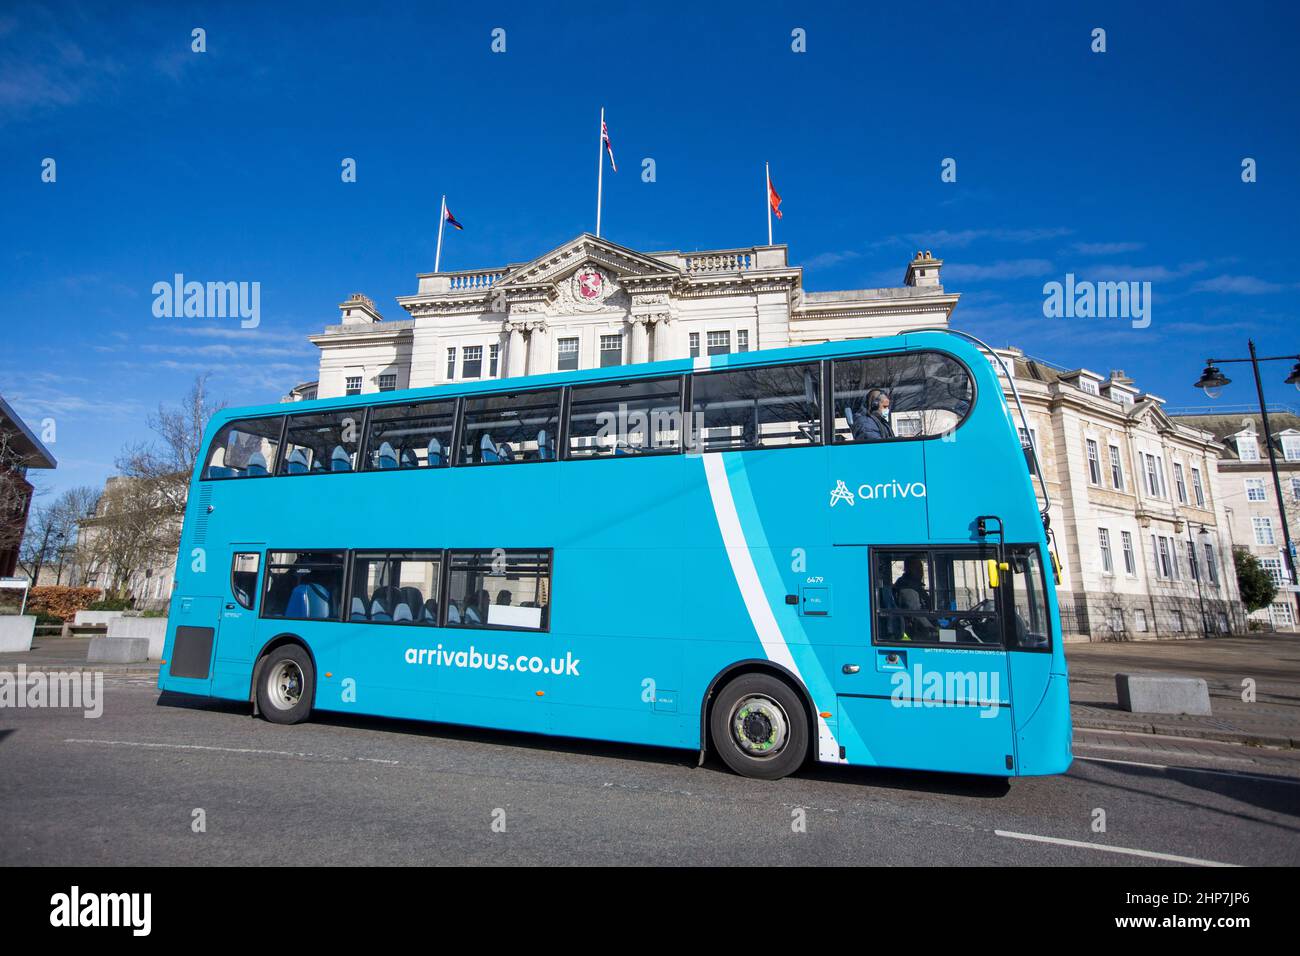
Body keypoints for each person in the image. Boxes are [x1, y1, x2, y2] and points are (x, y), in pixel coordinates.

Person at [893, 556, 934, 641]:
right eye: (917, 568)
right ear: (908, 569)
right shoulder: (908, 589)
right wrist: (932, 629)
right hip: (917, 634)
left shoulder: (916, 586)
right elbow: (916, 613)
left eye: (921, 567)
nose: (921, 571)